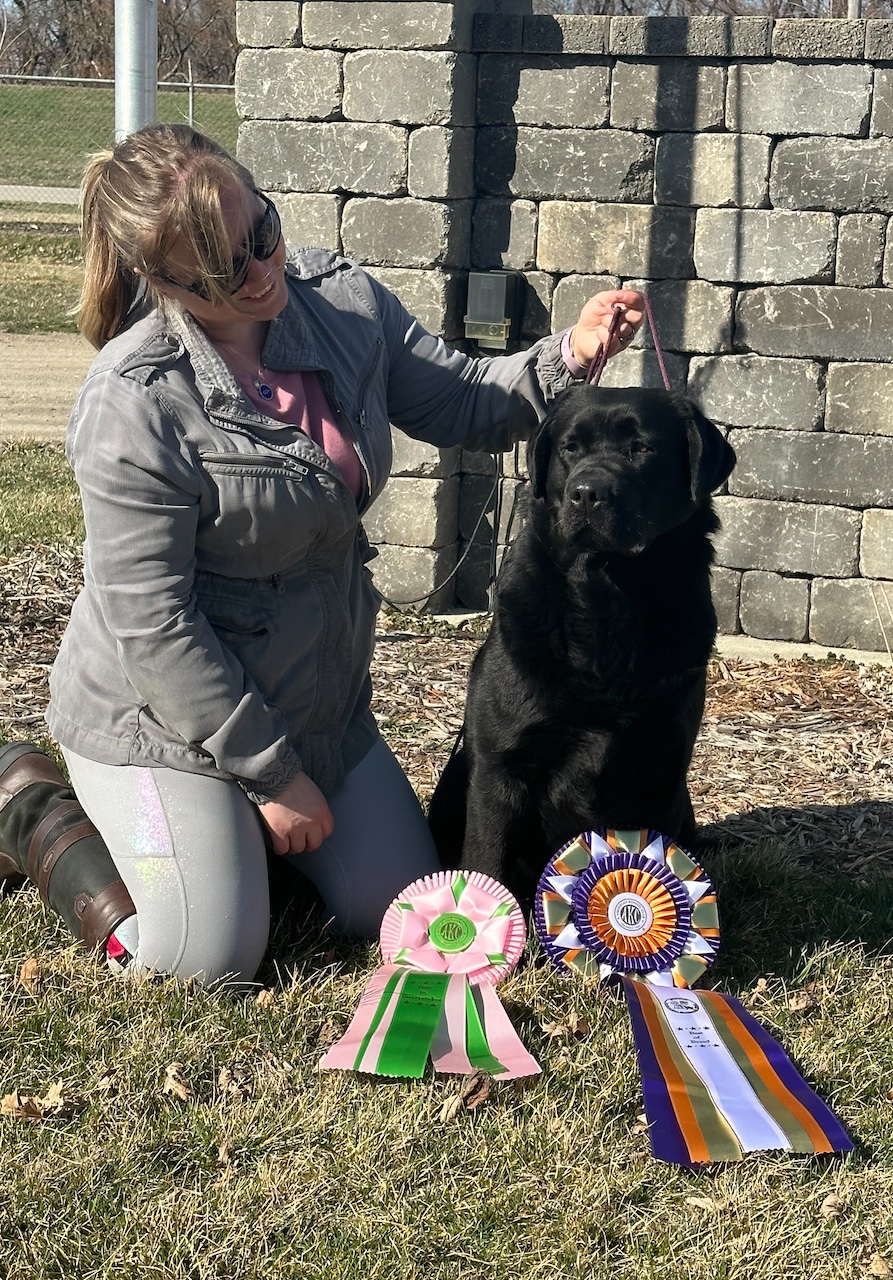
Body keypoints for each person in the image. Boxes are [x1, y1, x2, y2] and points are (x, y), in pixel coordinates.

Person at [0, 123, 643, 985]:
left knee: (406, 913)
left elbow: (458, 400)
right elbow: (154, 623)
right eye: (227, 271)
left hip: (316, 708)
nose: (265, 271)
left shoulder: (341, 301)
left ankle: (230, 853)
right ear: (161, 280)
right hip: (157, 722)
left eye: (260, 231)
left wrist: (567, 356)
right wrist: (270, 777)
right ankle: (32, 805)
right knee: (200, 959)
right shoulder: (135, 401)